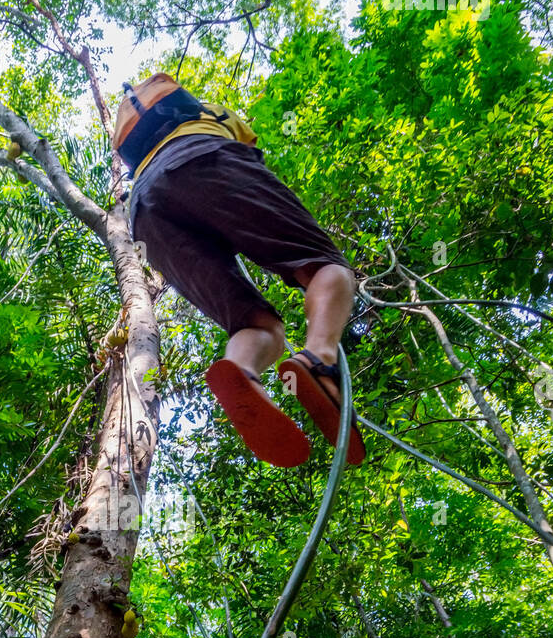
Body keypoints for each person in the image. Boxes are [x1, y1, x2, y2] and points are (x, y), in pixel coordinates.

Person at [112, 74, 365, 467]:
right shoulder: (213, 114)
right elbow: (247, 152)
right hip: (205, 158)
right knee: (323, 267)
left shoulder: (138, 161)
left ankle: (244, 370)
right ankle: (319, 358)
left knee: (259, 327)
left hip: (147, 214)